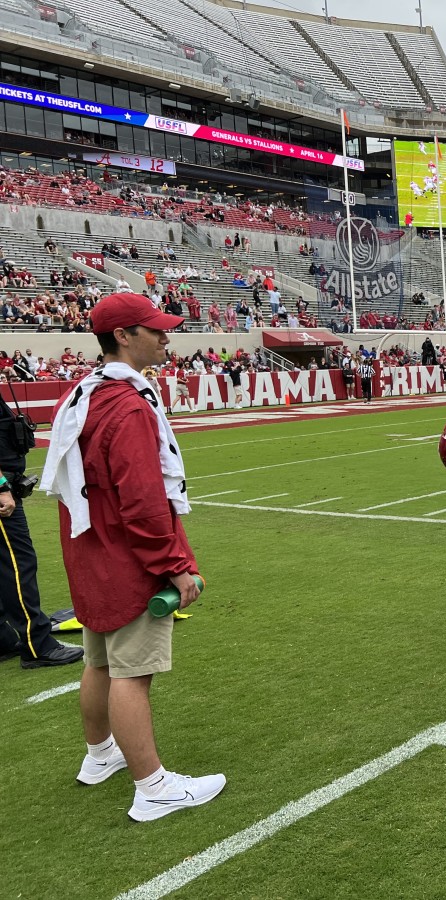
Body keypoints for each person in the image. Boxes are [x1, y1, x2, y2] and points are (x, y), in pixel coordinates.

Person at [43, 292, 225, 822]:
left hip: (90, 549)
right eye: (155, 329)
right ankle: (152, 788)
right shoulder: (125, 404)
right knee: (132, 673)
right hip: (125, 557)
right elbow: (143, 501)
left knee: (99, 661)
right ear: (123, 336)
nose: (166, 336)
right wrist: (174, 564)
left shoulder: (83, 393)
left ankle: (101, 755)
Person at [0, 386, 85, 670]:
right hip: (3, 489)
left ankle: (4, 638)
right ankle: (37, 644)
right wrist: (0, 486)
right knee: (17, 565)